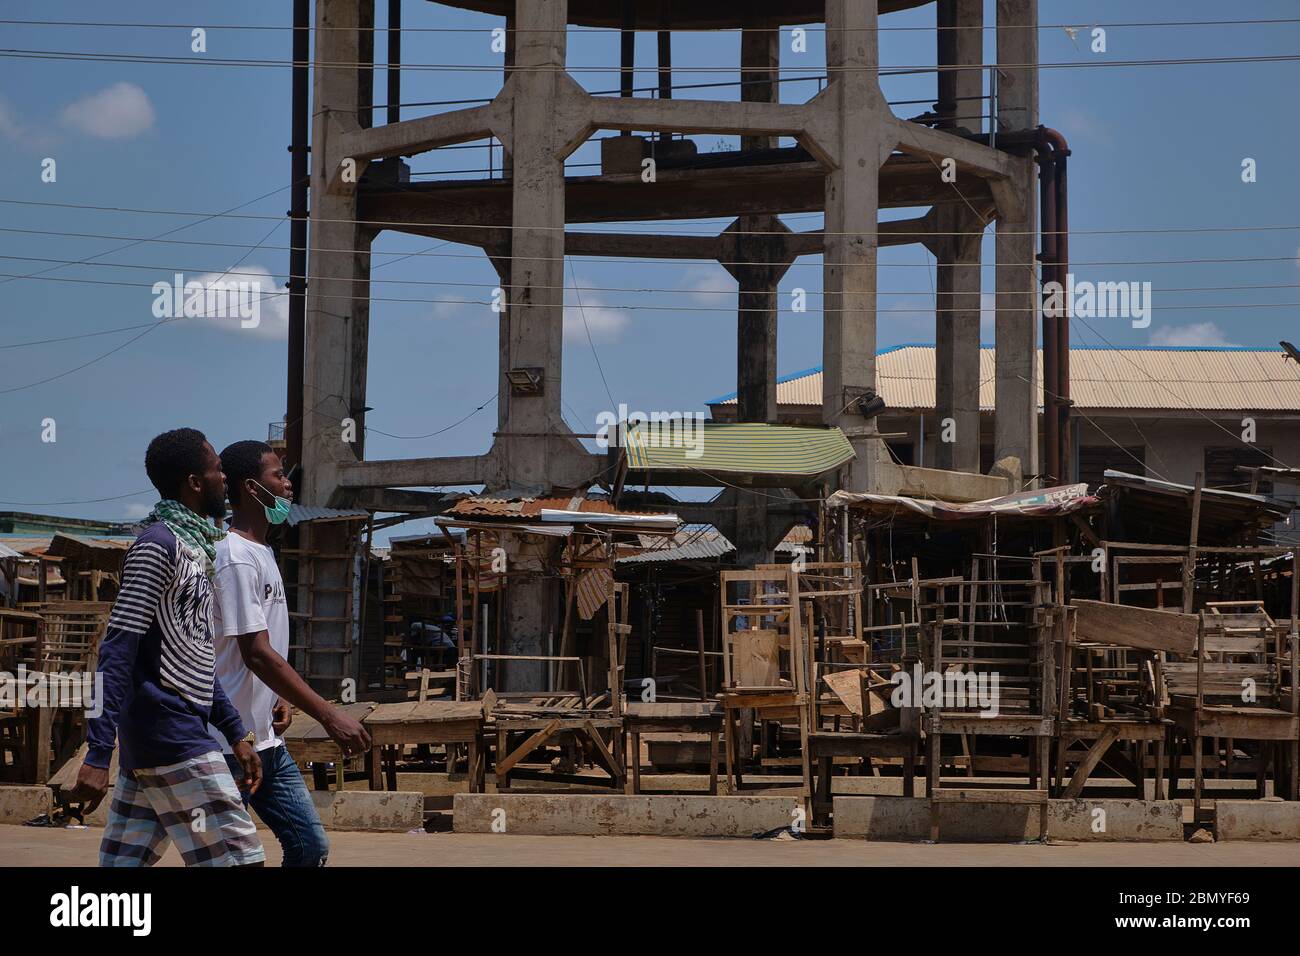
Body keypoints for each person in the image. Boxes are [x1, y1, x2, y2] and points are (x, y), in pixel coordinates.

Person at [69, 428, 266, 867]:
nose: (225, 480)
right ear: (195, 482)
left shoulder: (195, 551)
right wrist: (98, 753)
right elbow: (116, 651)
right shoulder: (156, 548)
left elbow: (192, 656)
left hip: (164, 740)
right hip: (171, 738)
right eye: (218, 471)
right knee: (240, 859)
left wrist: (235, 732)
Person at [210, 440, 371, 866]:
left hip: (266, 741)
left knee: (309, 847)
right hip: (228, 746)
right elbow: (256, 655)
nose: (288, 486)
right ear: (251, 488)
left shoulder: (262, 552)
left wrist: (279, 696)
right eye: (278, 476)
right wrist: (329, 714)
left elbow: (261, 648)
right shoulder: (235, 556)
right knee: (229, 861)